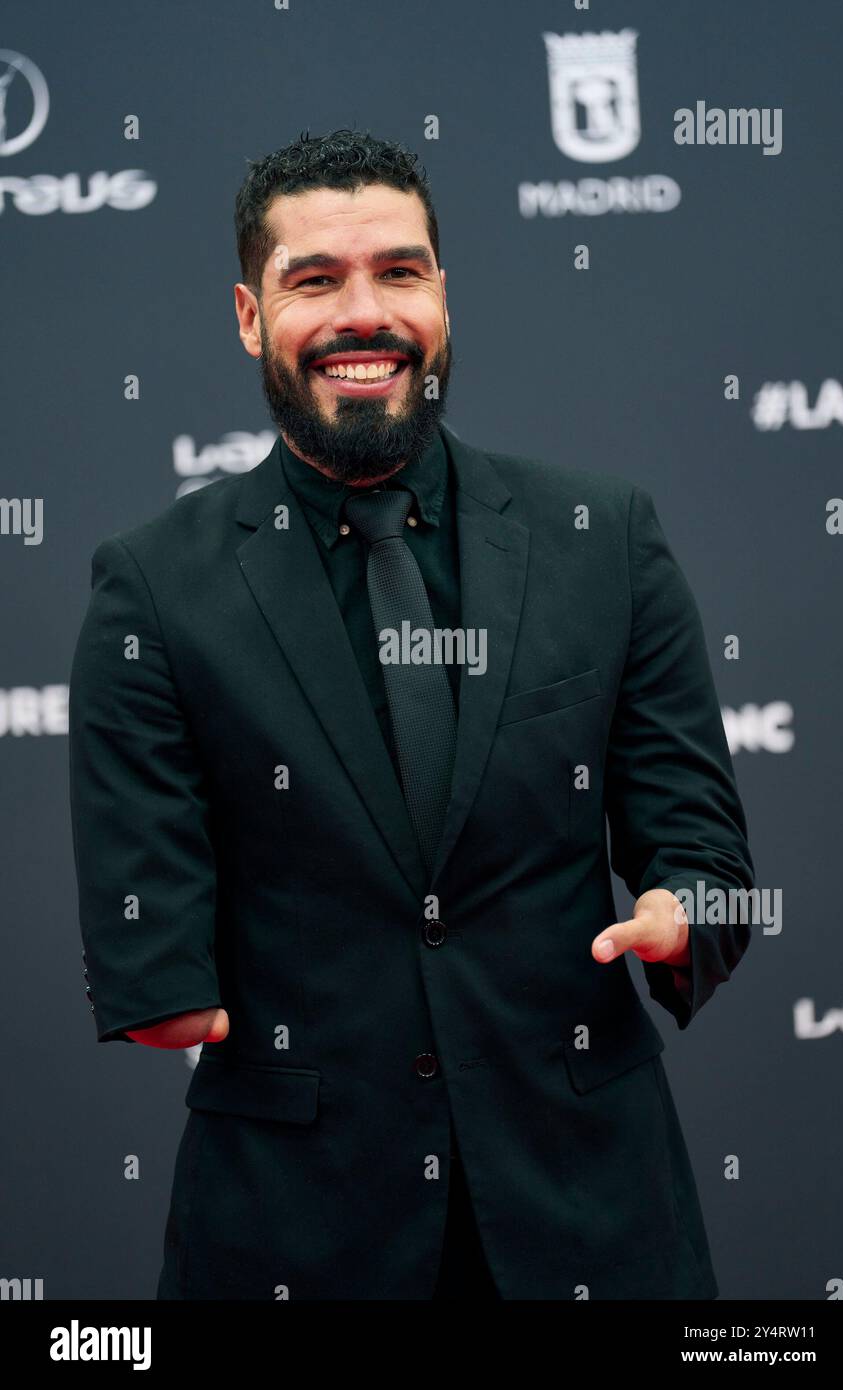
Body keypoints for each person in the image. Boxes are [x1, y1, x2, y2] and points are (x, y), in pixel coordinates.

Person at [69, 128, 755, 1301]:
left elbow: (703, 852)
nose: (362, 313)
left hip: (589, 1217)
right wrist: (163, 985)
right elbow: (153, 971)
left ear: (442, 294)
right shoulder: (153, 586)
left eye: (397, 271)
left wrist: (682, 914)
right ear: (248, 316)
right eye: (314, 280)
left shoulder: (603, 540)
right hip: (291, 1234)